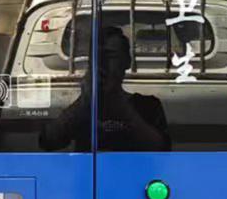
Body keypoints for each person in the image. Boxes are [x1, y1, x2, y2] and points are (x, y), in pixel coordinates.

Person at [41, 24, 170, 152]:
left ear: (126, 62)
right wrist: (84, 101)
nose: (103, 66)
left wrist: (123, 109)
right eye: (98, 59)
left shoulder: (148, 105)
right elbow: (48, 141)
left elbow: (161, 150)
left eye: (111, 57)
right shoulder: (84, 108)